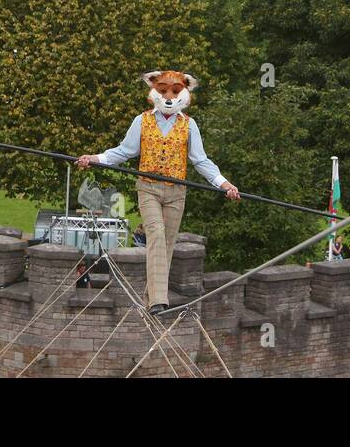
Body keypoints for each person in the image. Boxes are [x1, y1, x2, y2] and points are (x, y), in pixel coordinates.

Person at [77, 70, 239, 314]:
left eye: (175, 91)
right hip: (148, 189)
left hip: (177, 192)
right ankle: (158, 300)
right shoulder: (142, 120)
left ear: (184, 93)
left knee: (167, 244)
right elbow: (123, 151)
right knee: (156, 234)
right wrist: (96, 158)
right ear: (155, 91)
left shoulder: (189, 125)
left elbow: (200, 160)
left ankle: (149, 298)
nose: (169, 97)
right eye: (163, 91)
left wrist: (224, 183)